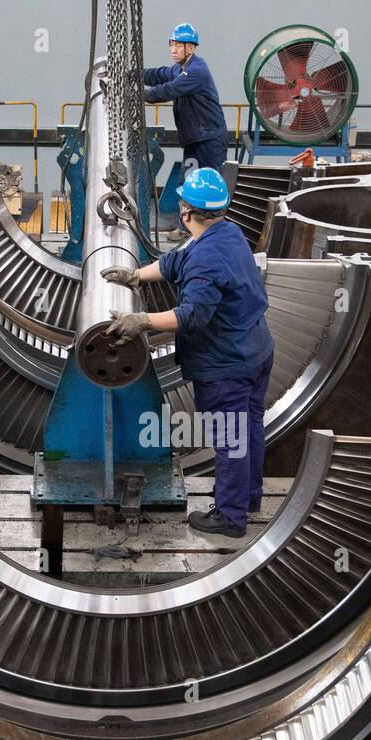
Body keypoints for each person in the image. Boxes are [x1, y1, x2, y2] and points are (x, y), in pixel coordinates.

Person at [102, 168, 273, 539]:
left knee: (231, 438)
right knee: (249, 429)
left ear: (186, 212)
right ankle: (249, 497)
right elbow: (173, 262)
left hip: (227, 364)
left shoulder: (206, 258)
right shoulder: (227, 234)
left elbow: (191, 316)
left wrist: (142, 321)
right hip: (256, 350)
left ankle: (230, 517)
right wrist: (135, 277)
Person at [143, 21, 229, 238]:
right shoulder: (179, 68)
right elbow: (158, 74)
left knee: (208, 184)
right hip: (194, 139)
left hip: (209, 140)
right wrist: (131, 74)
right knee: (190, 182)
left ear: (191, 48)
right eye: (171, 44)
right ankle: (187, 229)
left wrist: (134, 95)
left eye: (178, 45)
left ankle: (213, 233)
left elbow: (167, 90)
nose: (173, 49)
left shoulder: (196, 71)